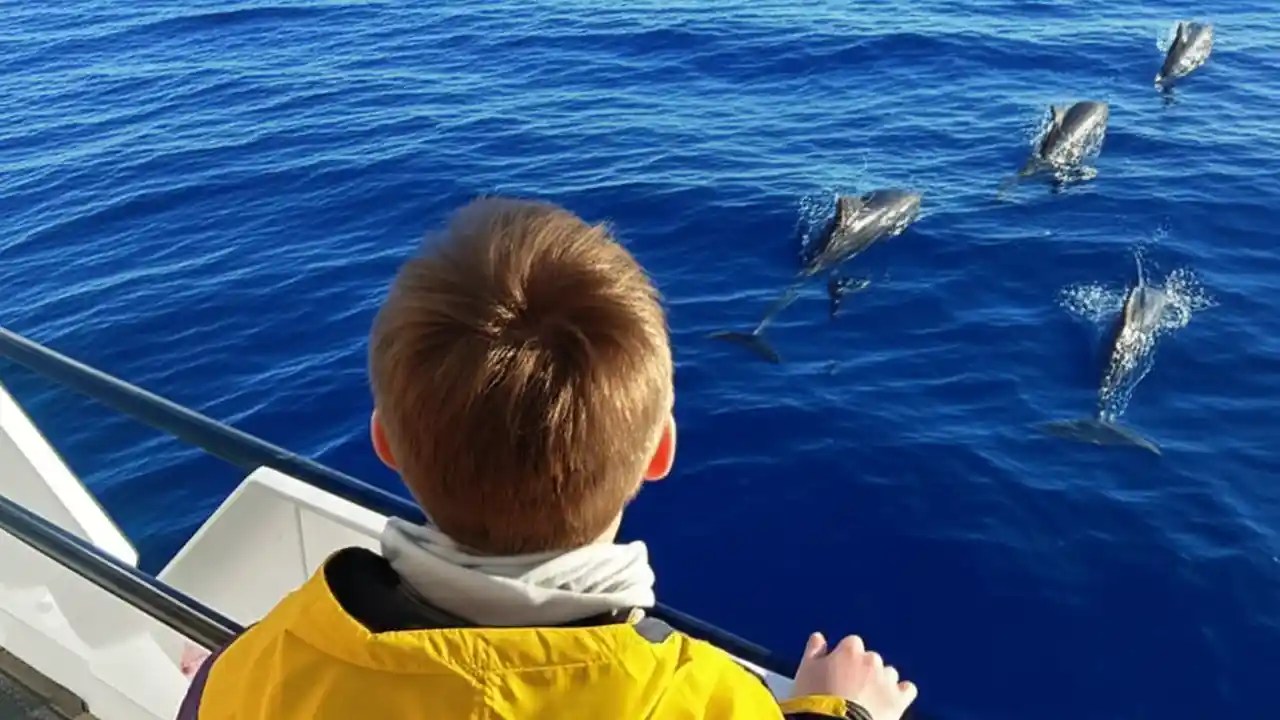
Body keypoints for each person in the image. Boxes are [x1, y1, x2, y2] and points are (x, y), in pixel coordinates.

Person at [175, 197, 918, 719]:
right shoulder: (699, 698)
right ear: (660, 450)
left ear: (386, 445)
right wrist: (841, 710)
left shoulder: (259, 664)